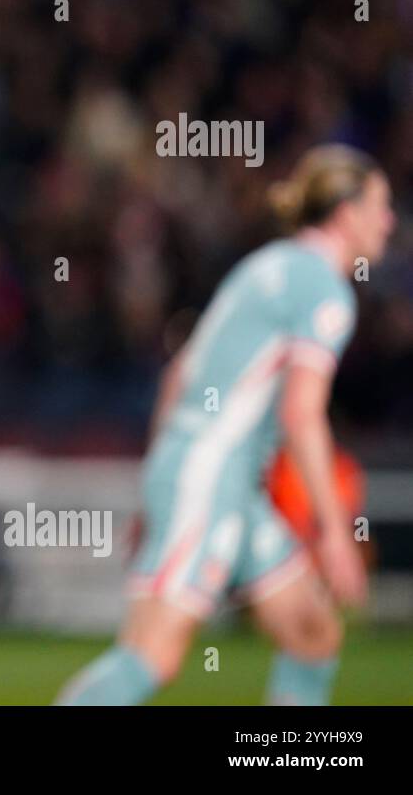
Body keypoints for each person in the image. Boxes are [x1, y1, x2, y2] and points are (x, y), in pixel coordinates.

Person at [57, 144, 395, 705]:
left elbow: (177, 378)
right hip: (212, 476)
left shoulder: (264, 267)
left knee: (312, 633)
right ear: (345, 212)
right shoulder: (324, 289)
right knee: (151, 654)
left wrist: (158, 487)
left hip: (215, 478)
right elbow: (301, 412)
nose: (388, 221)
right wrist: (335, 532)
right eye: (380, 205)